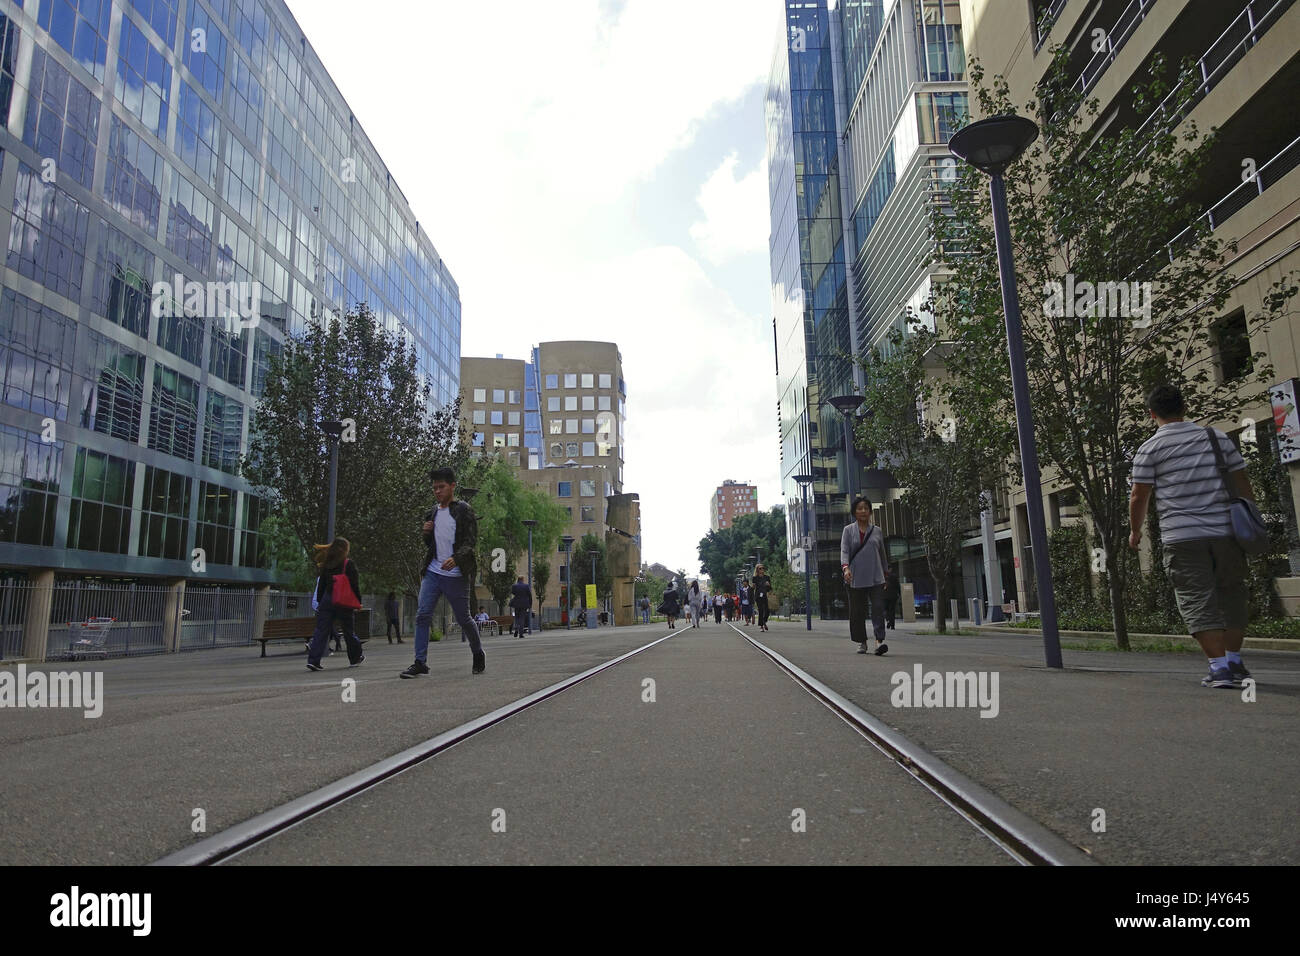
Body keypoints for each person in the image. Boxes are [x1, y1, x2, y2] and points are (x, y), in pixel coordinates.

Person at [1129, 384, 1255, 688]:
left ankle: (1219, 668)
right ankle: (1235, 662)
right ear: (1185, 408)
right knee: (1231, 594)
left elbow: (1138, 496)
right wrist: (1252, 518)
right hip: (1226, 532)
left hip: (1181, 536)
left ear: (1151, 414)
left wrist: (1135, 532)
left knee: (1195, 598)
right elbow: (1242, 484)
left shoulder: (1149, 449)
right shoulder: (1217, 438)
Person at [401, 467, 485, 678]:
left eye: (442, 487)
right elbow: (431, 544)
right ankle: (420, 662)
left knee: (464, 618)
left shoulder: (464, 510)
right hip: (433, 572)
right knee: (422, 615)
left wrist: (456, 558)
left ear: (452, 487)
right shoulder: (432, 512)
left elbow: (470, 542)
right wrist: (426, 533)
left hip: (456, 575)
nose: (437, 491)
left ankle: (478, 652)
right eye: (435, 488)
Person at [306, 537, 365, 671]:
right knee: (348, 631)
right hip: (343, 601)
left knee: (321, 631)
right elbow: (355, 585)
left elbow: (321, 585)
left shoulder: (327, 565)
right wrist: (358, 602)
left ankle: (313, 660)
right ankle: (355, 658)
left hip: (327, 600)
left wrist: (321, 602)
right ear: (345, 550)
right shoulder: (348, 564)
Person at [842, 495, 890, 655]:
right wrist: (846, 568)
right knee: (857, 611)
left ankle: (879, 641)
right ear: (855, 512)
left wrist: (885, 574)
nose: (863, 511)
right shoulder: (848, 530)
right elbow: (845, 551)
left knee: (877, 608)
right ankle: (861, 642)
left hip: (876, 576)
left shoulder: (877, 531)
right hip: (855, 577)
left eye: (866, 508)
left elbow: (882, 554)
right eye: (859, 508)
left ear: (870, 512)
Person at [752, 565, 773, 631]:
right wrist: (753, 586)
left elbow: (770, 588)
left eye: (763, 568)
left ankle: (764, 621)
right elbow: (753, 588)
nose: (762, 569)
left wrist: (768, 585)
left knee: (767, 610)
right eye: (760, 568)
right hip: (758, 596)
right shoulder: (755, 578)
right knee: (761, 610)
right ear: (757, 570)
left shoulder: (767, 577)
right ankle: (761, 626)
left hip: (764, 595)